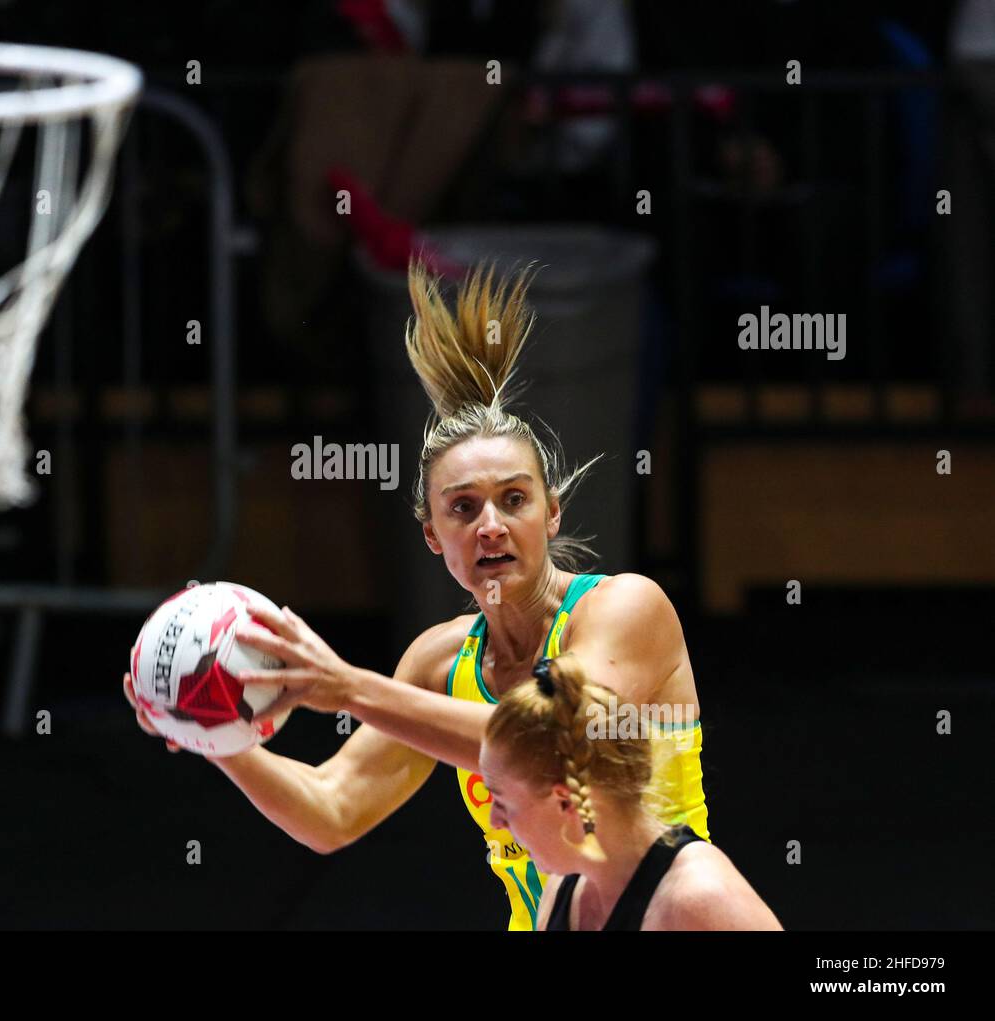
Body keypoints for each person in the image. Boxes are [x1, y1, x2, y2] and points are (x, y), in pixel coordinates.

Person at [126, 259, 709, 930]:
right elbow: (333, 808)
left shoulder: (625, 608)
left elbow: (551, 741)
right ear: (433, 535)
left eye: (513, 499)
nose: (490, 524)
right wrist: (213, 727)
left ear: (552, 513)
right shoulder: (439, 665)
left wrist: (347, 687)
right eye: (463, 508)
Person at [480, 651, 778, 930]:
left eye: (503, 803)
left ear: (565, 801)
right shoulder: (562, 886)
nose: (495, 821)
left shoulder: (699, 896)